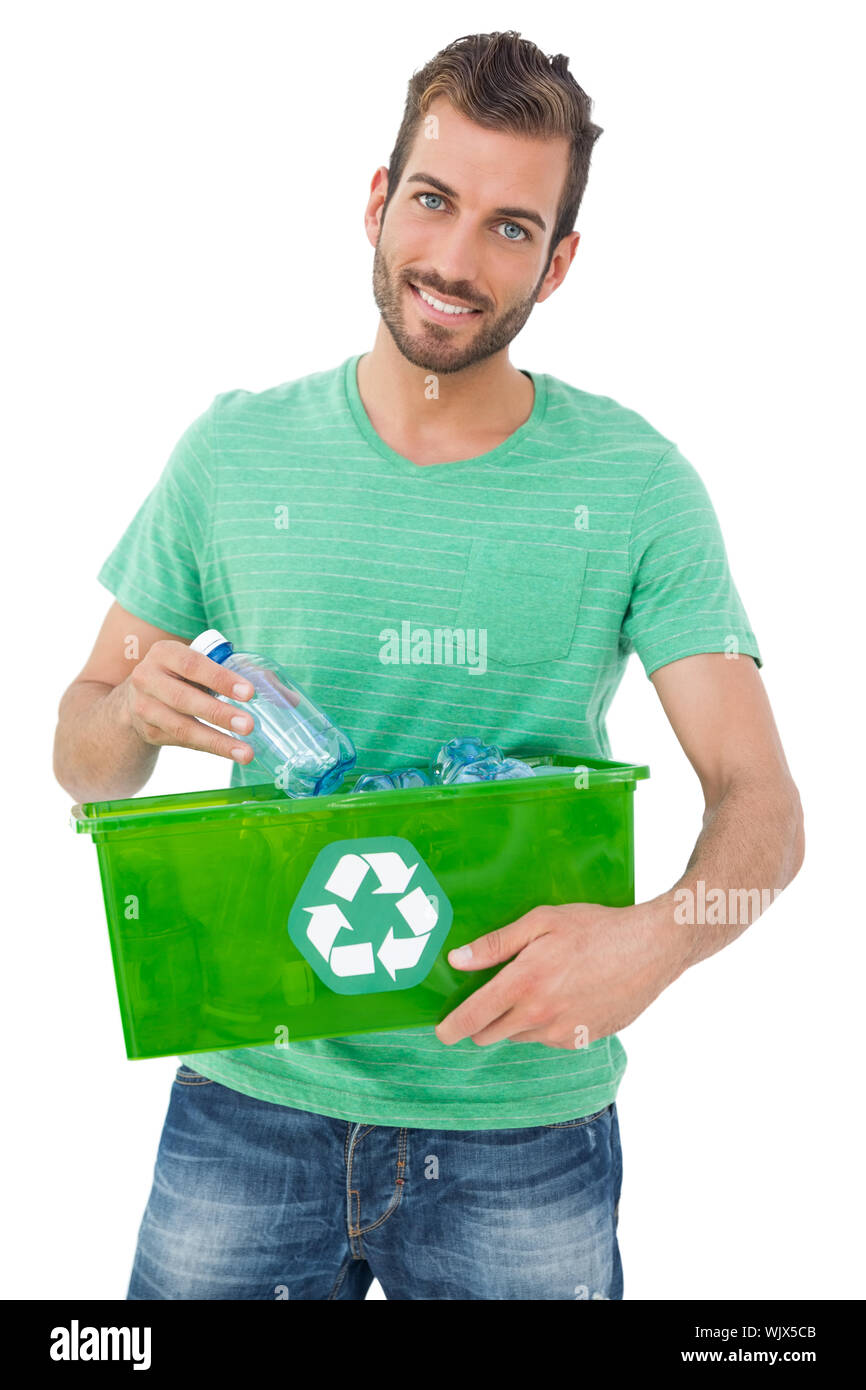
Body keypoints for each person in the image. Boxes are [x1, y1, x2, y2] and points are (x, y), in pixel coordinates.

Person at [53, 30, 804, 1301]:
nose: (454, 263)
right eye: (432, 200)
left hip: (524, 1132)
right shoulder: (232, 455)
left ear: (558, 262)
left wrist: (663, 939)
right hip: (246, 1101)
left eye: (511, 228)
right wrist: (130, 706)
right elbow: (82, 760)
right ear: (375, 200)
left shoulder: (632, 485)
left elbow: (763, 807)